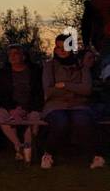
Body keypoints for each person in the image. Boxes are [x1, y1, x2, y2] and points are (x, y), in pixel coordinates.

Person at [41, 35, 98, 169]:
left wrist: (65, 85)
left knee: (83, 120)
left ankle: (95, 156)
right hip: (55, 105)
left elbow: (87, 89)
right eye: (58, 47)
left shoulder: (82, 66)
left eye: (65, 47)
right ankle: (48, 154)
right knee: (60, 122)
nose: (61, 50)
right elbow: (48, 91)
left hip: (79, 104)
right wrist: (76, 88)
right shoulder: (49, 66)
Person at [0, 44, 44, 164]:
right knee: (0, 115)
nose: (12, 57)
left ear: (23, 56)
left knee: (33, 118)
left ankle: (28, 147)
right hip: (11, 107)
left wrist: (26, 109)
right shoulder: (4, 74)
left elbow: (39, 93)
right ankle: (18, 145)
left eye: (15, 54)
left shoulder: (35, 72)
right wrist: (12, 109)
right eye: (9, 54)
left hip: (30, 106)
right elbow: (1, 95)